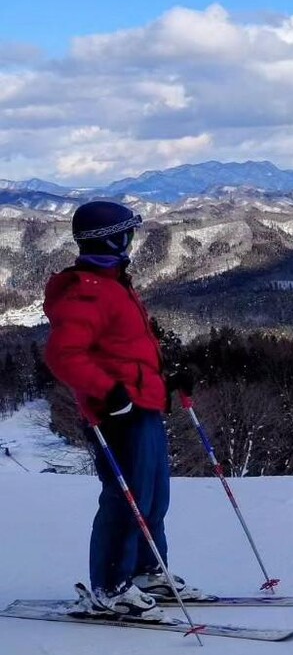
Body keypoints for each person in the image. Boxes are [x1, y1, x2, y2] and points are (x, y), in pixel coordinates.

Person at [43, 200, 201, 620]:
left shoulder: (115, 284)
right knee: (125, 498)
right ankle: (110, 588)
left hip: (141, 402)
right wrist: (108, 392)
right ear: (112, 238)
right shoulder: (87, 292)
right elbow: (63, 355)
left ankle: (147, 572)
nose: (132, 239)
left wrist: (166, 380)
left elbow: (124, 353)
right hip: (116, 413)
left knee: (152, 498)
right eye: (127, 232)